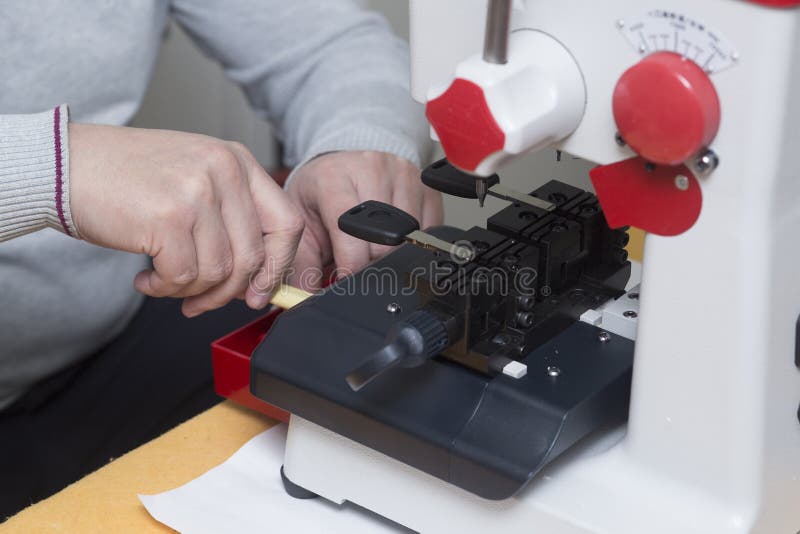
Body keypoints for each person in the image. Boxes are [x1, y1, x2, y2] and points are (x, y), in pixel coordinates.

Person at [0, 0, 442, 518]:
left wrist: (359, 144)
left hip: (110, 339)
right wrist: (47, 169)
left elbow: (329, 44)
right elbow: (53, 169)